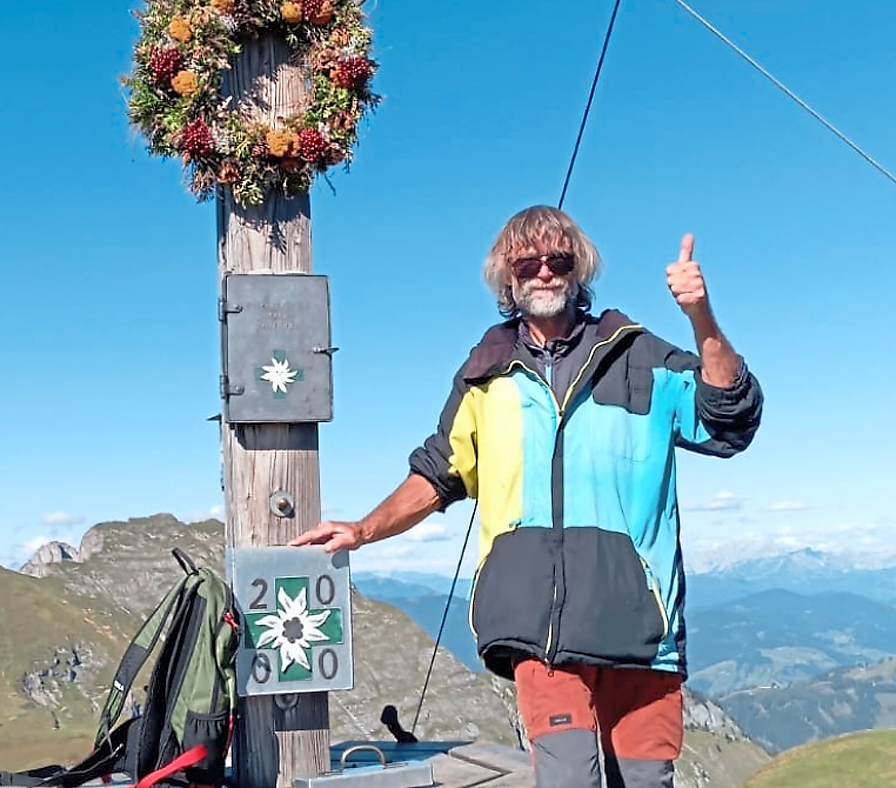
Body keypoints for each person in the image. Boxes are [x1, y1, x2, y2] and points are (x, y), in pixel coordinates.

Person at [291, 205, 763, 788]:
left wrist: (701, 319)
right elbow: (439, 473)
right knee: (569, 781)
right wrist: (362, 531)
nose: (544, 271)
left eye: (558, 259)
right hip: (541, 635)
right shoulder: (485, 375)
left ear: (578, 271)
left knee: (645, 783)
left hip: (642, 631)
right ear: (507, 278)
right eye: (528, 261)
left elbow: (729, 420)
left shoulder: (639, 356)